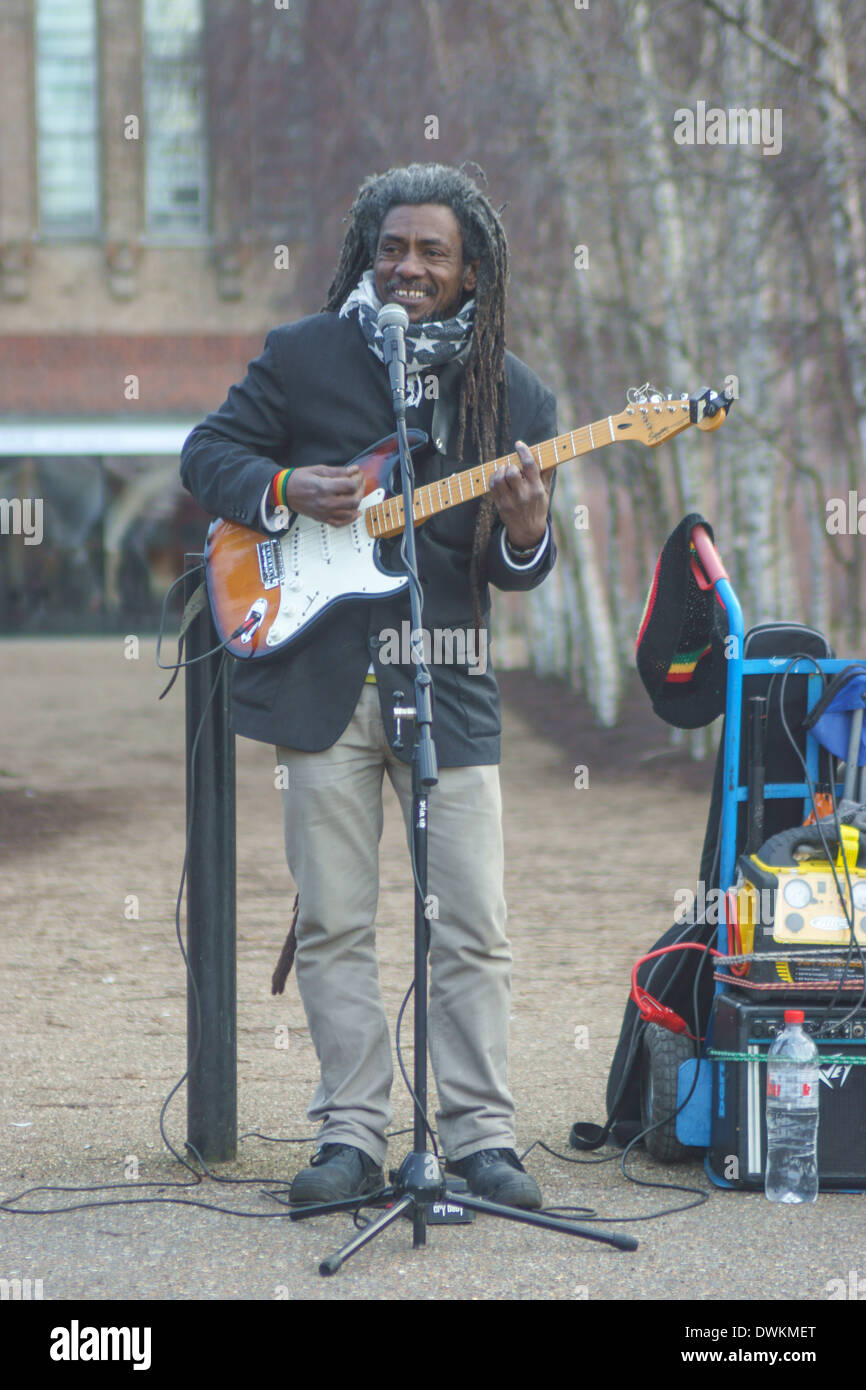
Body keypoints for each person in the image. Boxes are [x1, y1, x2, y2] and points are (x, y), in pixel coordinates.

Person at [180, 162, 557, 1210]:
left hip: (449, 691)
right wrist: (281, 486)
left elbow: (509, 568)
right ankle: (348, 1136)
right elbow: (206, 452)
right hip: (322, 684)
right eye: (392, 247)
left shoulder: (513, 394)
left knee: (471, 921)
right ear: (366, 251)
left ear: (469, 268)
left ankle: (480, 1140)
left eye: (432, 252)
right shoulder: (305, 356)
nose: (407, 267)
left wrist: (528, 536)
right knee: (337, 921)